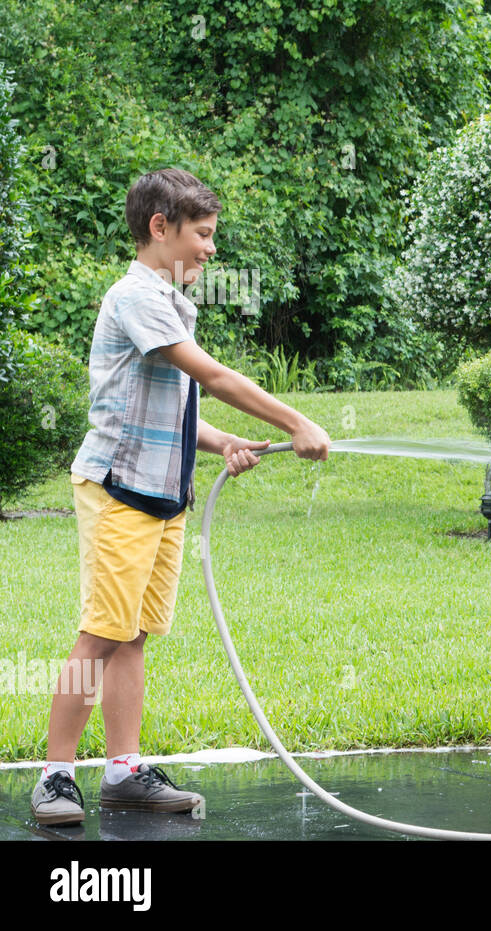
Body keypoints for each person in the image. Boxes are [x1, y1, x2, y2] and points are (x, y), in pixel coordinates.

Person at [30, 168, 331, 826]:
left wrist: (223, 443)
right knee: (100, 635)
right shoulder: (135, 296)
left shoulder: (173, 303)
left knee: (132, 636)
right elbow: (215, 376)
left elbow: (174, 408)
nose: (211, 249)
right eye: (203, 234)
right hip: (118, 487)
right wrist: (295, 422)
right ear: (160, 229)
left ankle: (124, 771)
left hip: (164, 491)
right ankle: (54, 775)